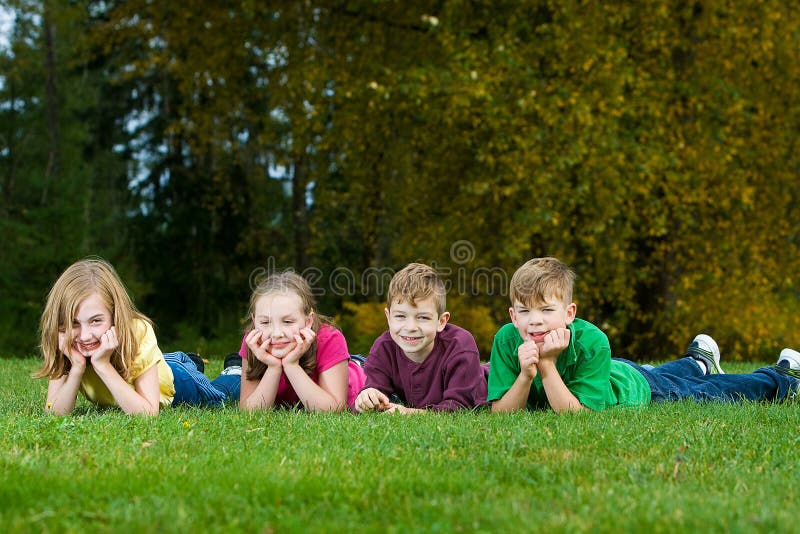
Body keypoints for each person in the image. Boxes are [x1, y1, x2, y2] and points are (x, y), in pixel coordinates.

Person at [488, 257, 800, 413]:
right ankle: (697, 360)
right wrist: (525, 377)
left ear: (570, 313)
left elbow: (574, 417)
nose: (535, 322)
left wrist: (545, 365)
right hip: (616, 371)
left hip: (635, 388)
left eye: (546, 310)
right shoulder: (506, 339)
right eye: (525, 311)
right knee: (676, 376)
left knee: (706, 391)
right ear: (513, 315)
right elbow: (502, 414)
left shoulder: (593, 340)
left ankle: (781, 379)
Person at [35, 258, 237, 415]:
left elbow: (148, 414)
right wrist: (78, 368)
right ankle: (189, 360)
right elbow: (54, 413)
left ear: (115, 316)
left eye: (96, 321)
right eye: (74, 323)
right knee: (164, 363)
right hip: (150, 367)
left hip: (178, 383)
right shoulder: (66, 341)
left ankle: (233, 368)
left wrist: (103, 365)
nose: (85, 336)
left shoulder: (137, 331)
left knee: (222, 396)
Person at [355, 263, 488, 414]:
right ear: (388, 317)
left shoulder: (460, 346)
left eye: (423, 317)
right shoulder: (384, 347)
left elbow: (459, 408)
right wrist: (369, 396)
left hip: (489, 383)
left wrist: (409, 413)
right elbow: (376, 388)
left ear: (441, 321)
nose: (411, 327)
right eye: (400, 316)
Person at [237, 271, 366, 411]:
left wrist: (291, 365)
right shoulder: (254, 341)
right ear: (254, 319)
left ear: (308, 320)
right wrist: (273, 367)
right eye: (265, 322)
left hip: (356, 372)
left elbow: (333, 409)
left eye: (287, 321)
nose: (276, 333)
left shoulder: (329, 338)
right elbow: (248, 411)